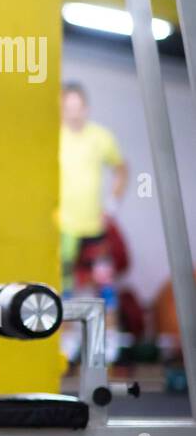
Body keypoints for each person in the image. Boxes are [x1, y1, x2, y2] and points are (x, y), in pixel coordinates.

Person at [59, 81, 128, 361]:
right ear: (61, 110)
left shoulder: (101, 137)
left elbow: (121, 170)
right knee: (63, 289)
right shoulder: (53, 137)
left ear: (86, 108)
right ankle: (66, 346)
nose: (73, 113)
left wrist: (112, 204)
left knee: (104, 289)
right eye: (68, 108)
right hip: (63, 229)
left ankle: (109, 346)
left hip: (95, 228)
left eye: (78, 107)